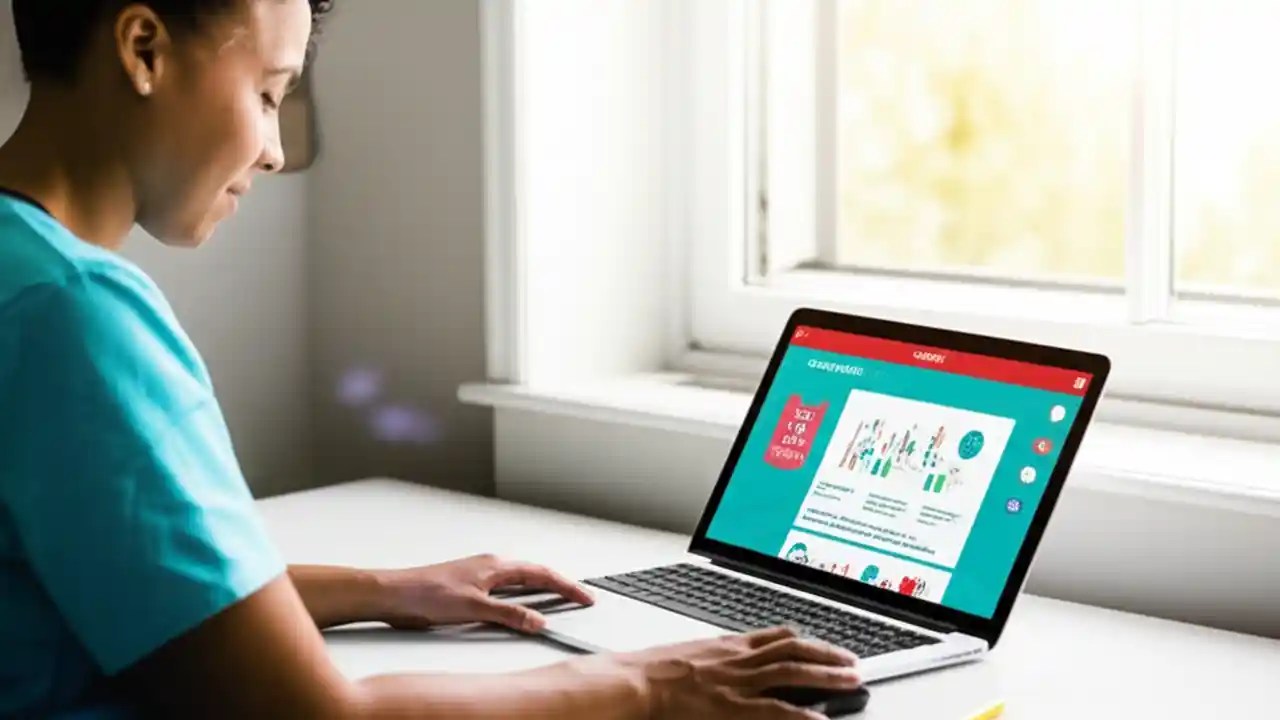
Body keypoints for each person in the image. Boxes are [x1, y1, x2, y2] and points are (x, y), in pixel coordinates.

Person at [0, 1, 863, 717]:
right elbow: (322, 717)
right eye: (269, 92)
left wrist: (381, 588)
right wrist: (645, 681)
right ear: (143, 48)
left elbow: (107, 572)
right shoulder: (75, 318)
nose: (274, 147)